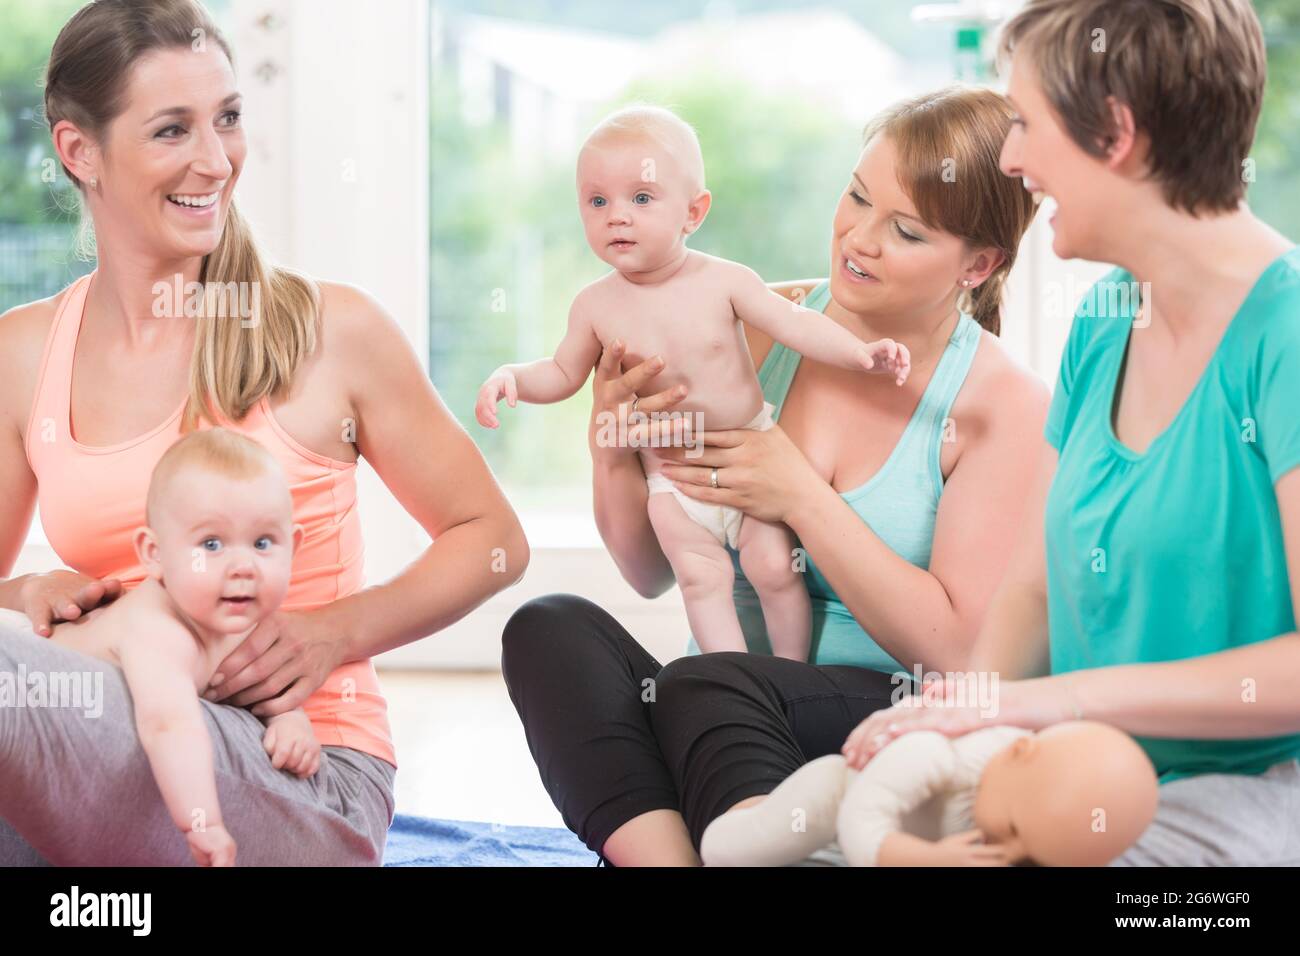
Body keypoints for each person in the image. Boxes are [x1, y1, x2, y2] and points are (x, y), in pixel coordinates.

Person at [0, 0, 527, 866]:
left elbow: (495, 540)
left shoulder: (329, 332)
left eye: (229, 119)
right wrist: (25, 596)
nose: (216, 161)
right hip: (106, 749)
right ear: (78, 152)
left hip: (300, 771)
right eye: (172, 130)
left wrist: (334, 634)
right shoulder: (25, 354)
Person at [502, 85, 1046, 865]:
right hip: (716, 715)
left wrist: (798, 494)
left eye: (906, 230)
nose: (858, 238)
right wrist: (610, 449)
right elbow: (649, 572)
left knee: (708, 683)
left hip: (875, 719)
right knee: (548, 629)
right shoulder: (757, 322)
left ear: (980, 263)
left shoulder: (1002, 407)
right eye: (856, 196)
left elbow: (957, 654)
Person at [843, 0, 1300, 867]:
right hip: (1061, 780)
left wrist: (1044, 705)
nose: (1011, 158)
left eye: (1024, 122)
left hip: (1249, 799)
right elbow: (1034, 592)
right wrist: (951, 716)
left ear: (1115, 133)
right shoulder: (1104, 322)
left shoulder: (1288, 333)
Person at [478, 104, 910, 663]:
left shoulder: (724, 281)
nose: (617, 217)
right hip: (673, 483)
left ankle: (789, 674)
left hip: (745, 464)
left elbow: (797, 323)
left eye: (641, 198)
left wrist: (861, 354)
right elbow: (562, 373)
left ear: (693, 212)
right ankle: (734, 678)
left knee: (775, 569)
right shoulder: (594, 305)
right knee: (701, 582)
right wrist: (512, 376)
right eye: (597, 201)